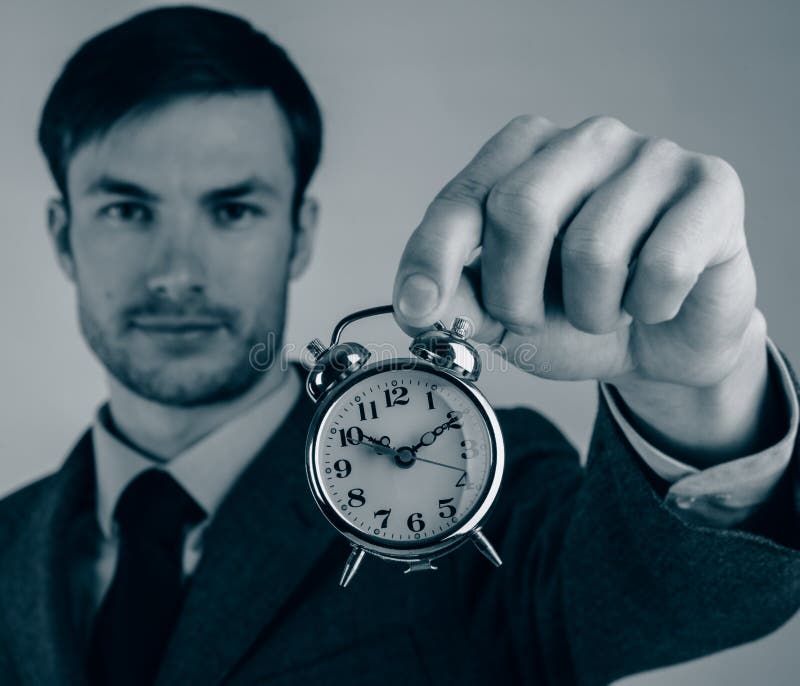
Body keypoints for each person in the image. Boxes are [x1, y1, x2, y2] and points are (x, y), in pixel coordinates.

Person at [1, 5, 798, 686]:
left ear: (299, 233)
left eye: (233, 209)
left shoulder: (493, 479)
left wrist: (697, 394)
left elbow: (665, 597)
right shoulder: (9, 542)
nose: (176, 273)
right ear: (64, 237)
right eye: (127, 211)